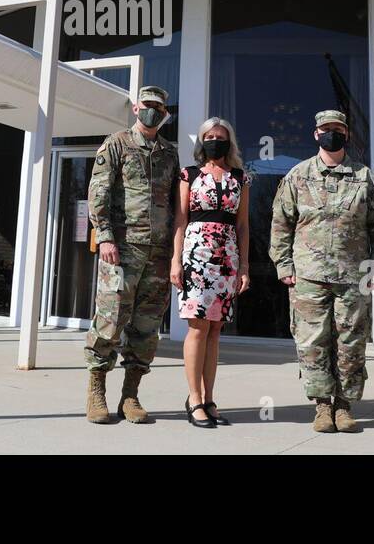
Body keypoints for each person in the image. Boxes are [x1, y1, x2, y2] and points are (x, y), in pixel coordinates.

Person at [270, 109, 374, 433]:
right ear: (315, 134)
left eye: (336, 129)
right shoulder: (297, 175)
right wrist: (283, 265)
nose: (330, 134)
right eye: (325, 129)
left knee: (351, 343)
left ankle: (345, 405)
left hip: (354, 275)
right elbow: (281, 224)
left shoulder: (365, 177)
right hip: (308, 275)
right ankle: (322, 406)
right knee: (312, 343)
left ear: (346, 134)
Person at [83, 85, 180, 424]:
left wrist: (174, 252)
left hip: (157, 252)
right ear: (137, 108)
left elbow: (174, 204)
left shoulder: (169, 153)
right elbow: (98, 194)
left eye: (159, 106)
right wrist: (105, 238)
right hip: (121, 251)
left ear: (164, 113)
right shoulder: (117, 144)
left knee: (146, 327)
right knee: (110, 321)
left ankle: (130, 395)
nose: (153, 110)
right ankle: (96, 390)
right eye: (148, 104)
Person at [171, 117, 250, 428]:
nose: (215, 140)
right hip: (196, 256)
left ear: (229, 141)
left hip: (227, 257)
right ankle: (193, 399)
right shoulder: (188, 174)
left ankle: (209, 397)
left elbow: (243, 226)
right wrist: (176, 261)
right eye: (210, 136)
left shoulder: (241, 177)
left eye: (221, 136)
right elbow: (180, 221)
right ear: (201, 141)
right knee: (198, 328)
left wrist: (243, 265)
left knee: (215, 330)